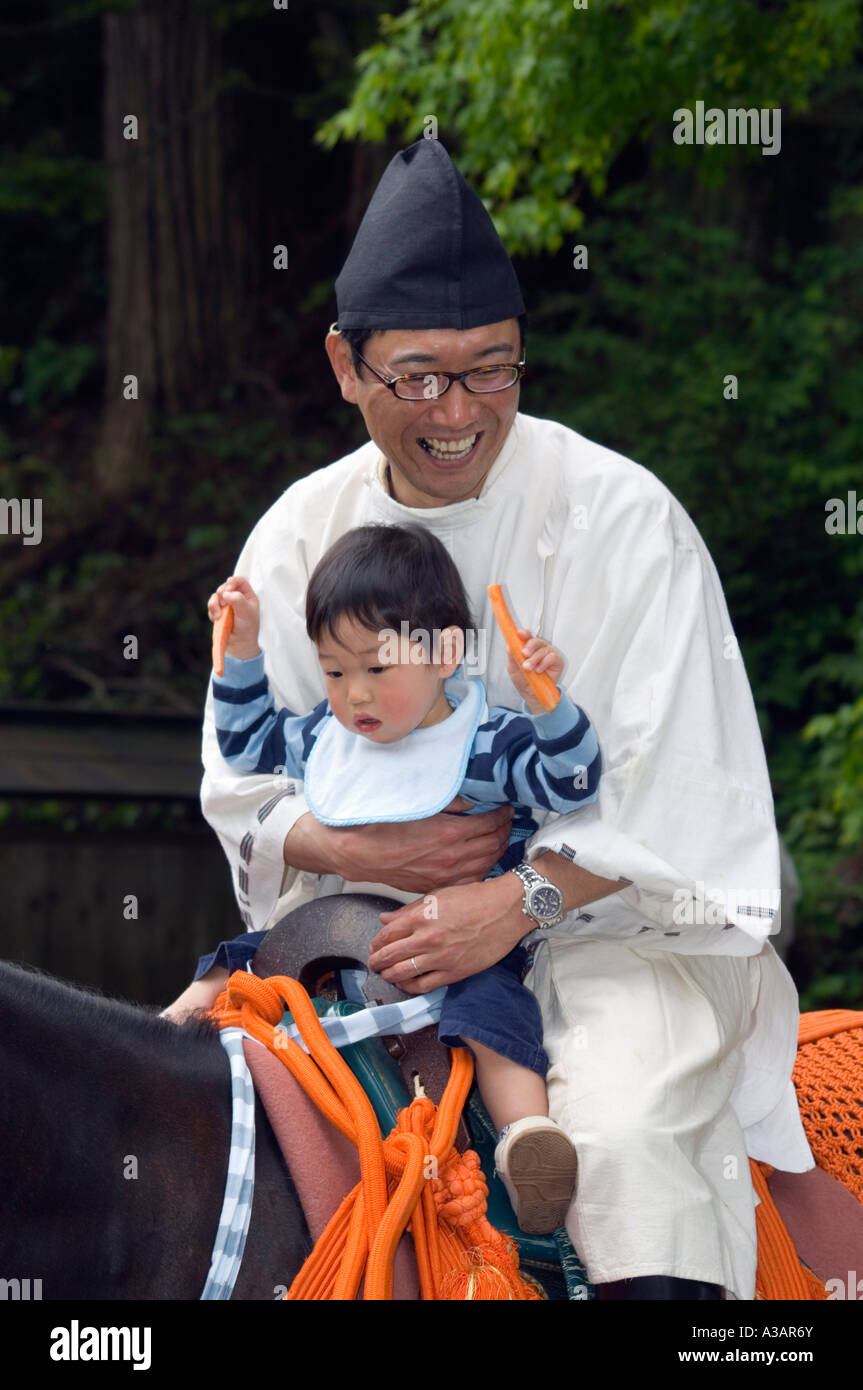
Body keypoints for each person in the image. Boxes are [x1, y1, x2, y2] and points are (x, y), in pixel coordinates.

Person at [196, 138, 815, 1299]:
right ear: (344, 362)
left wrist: (512, 898)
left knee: (625, 1148)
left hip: (612, 936)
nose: (458, 412)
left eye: (493, 370)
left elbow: (683, 788)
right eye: (418, 376)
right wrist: (352, 847)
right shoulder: (294, 534)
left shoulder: (625, 520)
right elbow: (245, 781)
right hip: (358, 932)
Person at [171, 521, 601, 1232]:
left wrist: (550, 705)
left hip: (455, 941)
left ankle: (528, 1142)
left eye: (377, 668)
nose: (355, 696)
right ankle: (156, 1042)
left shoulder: (485, 744)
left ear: (446, 653)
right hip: (335, 929)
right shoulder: (323, 737)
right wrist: (241, 650)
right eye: (334, 672)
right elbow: (246, 747)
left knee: (491, 1009)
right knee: (234, 963)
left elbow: (573, 782)